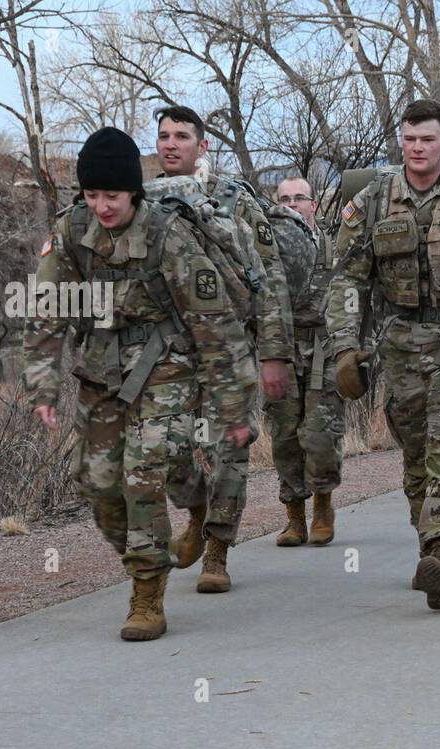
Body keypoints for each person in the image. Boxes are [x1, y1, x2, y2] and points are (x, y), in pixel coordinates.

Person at [23, 127, 255, 640]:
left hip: (167, 363)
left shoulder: (168, 236)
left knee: (143, 473)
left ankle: (147, 594)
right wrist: (42, 388)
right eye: (92, 194)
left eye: (112, 195)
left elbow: (214, 325)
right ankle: (181, 517)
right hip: (101, 366)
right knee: (97, 482)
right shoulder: (71, 231)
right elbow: (46, 313)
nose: (102, 206)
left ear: (133, 190)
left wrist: (234, 405)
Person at [326, 99, 440, 610]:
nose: (418, 148)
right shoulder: (372, 202)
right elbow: (347, 281)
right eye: (409, 140)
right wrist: (345, 348)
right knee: (414, 454)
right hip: (400, 345)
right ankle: (427, 544)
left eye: (428, 139)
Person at [146, 105, 299, 593]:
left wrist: (274, 352)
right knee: (168, 448)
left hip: (230, 347)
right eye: (164, 136)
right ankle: (196, 508)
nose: (171, 144)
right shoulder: (143, 202)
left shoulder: (234, 200)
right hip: (167, 351)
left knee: (230, 446)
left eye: (182, 136)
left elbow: (270, 279)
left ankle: (217, 548)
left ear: (203, 145)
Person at [262, 176, 347, 546]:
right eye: (284, 199)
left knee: (321, 433)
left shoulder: (336, 245)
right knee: (284, 434)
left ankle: (323, 507)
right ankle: (295, 517)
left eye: (299, 198)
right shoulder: (268, 248)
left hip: (325, 346)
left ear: (313, 205)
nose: (292, 204)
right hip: (282, 345)